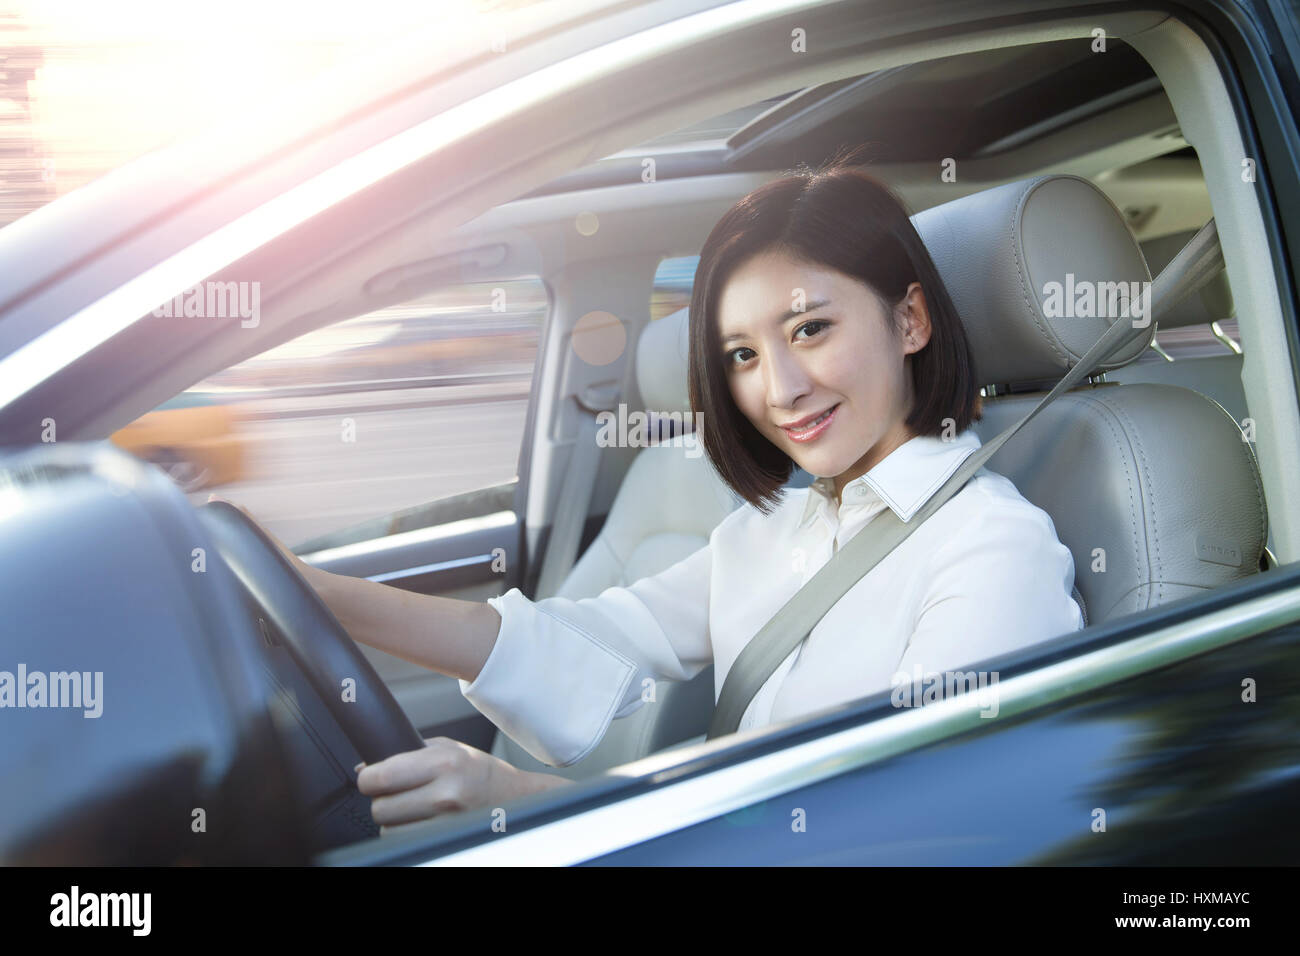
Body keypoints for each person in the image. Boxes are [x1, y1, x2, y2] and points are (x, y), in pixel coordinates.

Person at [224, 154, 1084, 832]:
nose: (778, 388)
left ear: (909, 321)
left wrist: (518, 800)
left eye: (809, 329)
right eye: (742, 355)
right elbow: (588, 639)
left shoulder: (990, 548)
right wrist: (318, 597)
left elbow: (924, 837)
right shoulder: (771, 529)